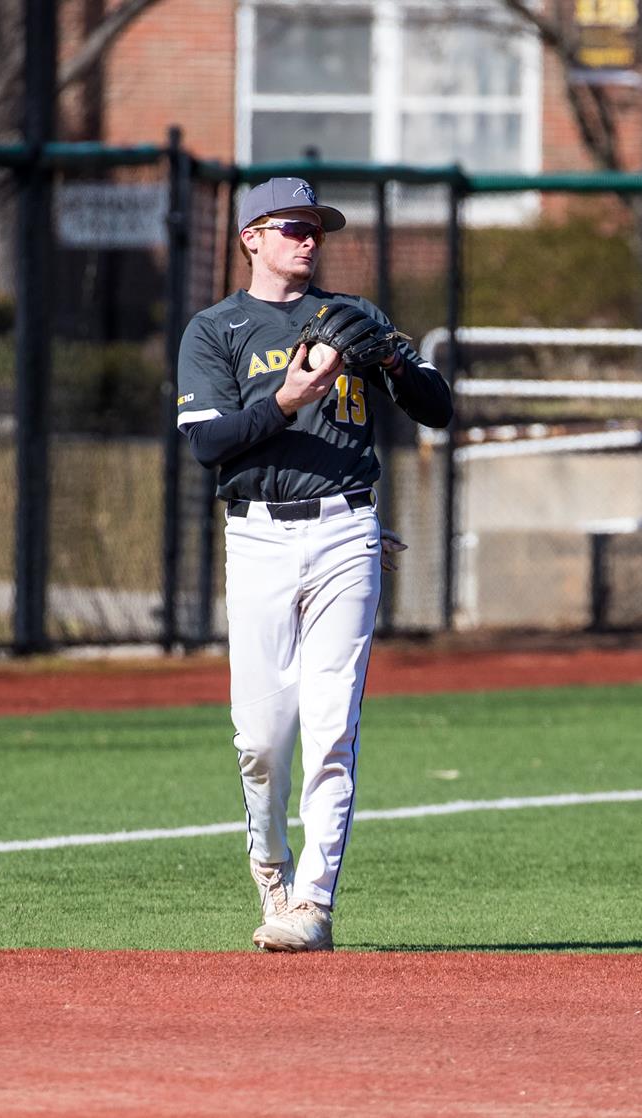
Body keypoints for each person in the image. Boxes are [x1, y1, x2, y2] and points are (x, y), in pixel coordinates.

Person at [174, 177, 453, 953]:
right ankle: (270, 863)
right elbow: (207, 443)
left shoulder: (353, 316)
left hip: (346, 535)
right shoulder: (217, 329)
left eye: (316, 229)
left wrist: (396, 363)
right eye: (291, 226)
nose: (307, 238)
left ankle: (313, 904)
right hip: (258, 537)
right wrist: (290, 399)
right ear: (250, 238)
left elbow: (439, 408)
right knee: (260, 741)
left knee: (332, 728)